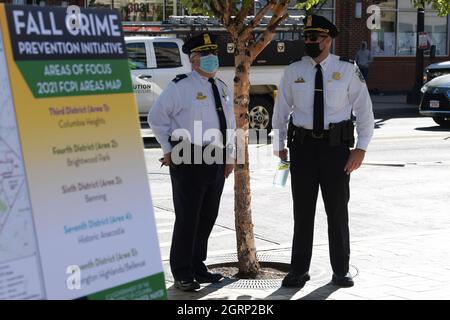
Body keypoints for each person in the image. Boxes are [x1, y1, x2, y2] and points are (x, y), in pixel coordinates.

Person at [272, 15, 374, 288]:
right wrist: (278, 145)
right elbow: (280, 111)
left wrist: (360, 149)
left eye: (314, 38)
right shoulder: (294, 70)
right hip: (302, 148)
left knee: (337, 211)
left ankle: (340, 270)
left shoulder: (348, 69)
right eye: (306, 37)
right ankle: (298, 270)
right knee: (302, 212)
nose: (309, 42)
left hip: (336, 150)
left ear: (328, 40)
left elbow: (365, 112)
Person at [148, 32, 236, 291]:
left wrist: (230, 157)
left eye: (214, 54)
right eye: (206, 55)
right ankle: (182, 271)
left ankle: (198, 265)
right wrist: (167, 149)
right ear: (193, 60)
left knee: (209, 214)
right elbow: (156, 117)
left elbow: (229, 124)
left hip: (216, 158)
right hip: (189, 157)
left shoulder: (221, 86)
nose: (212, 59)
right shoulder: (181, 86)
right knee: (188, 216)